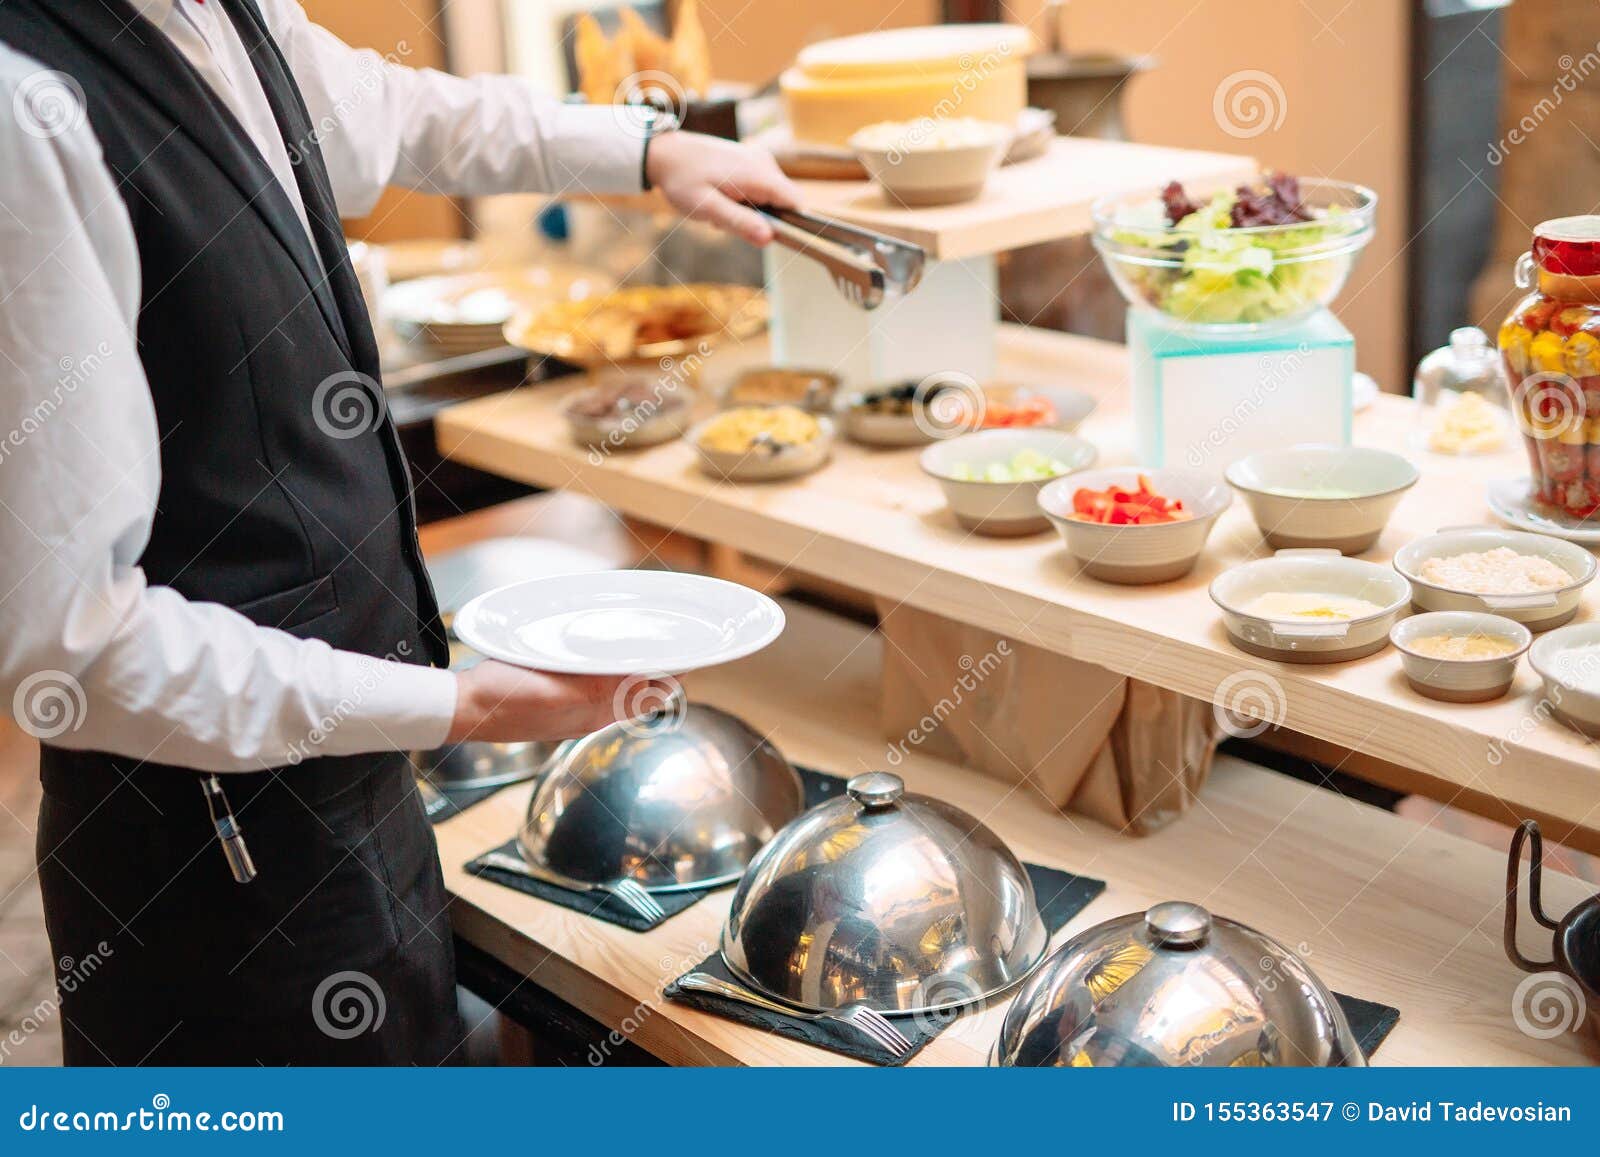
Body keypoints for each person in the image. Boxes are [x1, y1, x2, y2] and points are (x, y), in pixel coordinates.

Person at [0, 0, 799, 1065]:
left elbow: (405, 112)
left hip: (356, 784)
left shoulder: (227, 15)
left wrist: (650, 150)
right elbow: (77, 643)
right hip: (206, 856)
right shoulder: (26, 105)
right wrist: (454, 703)